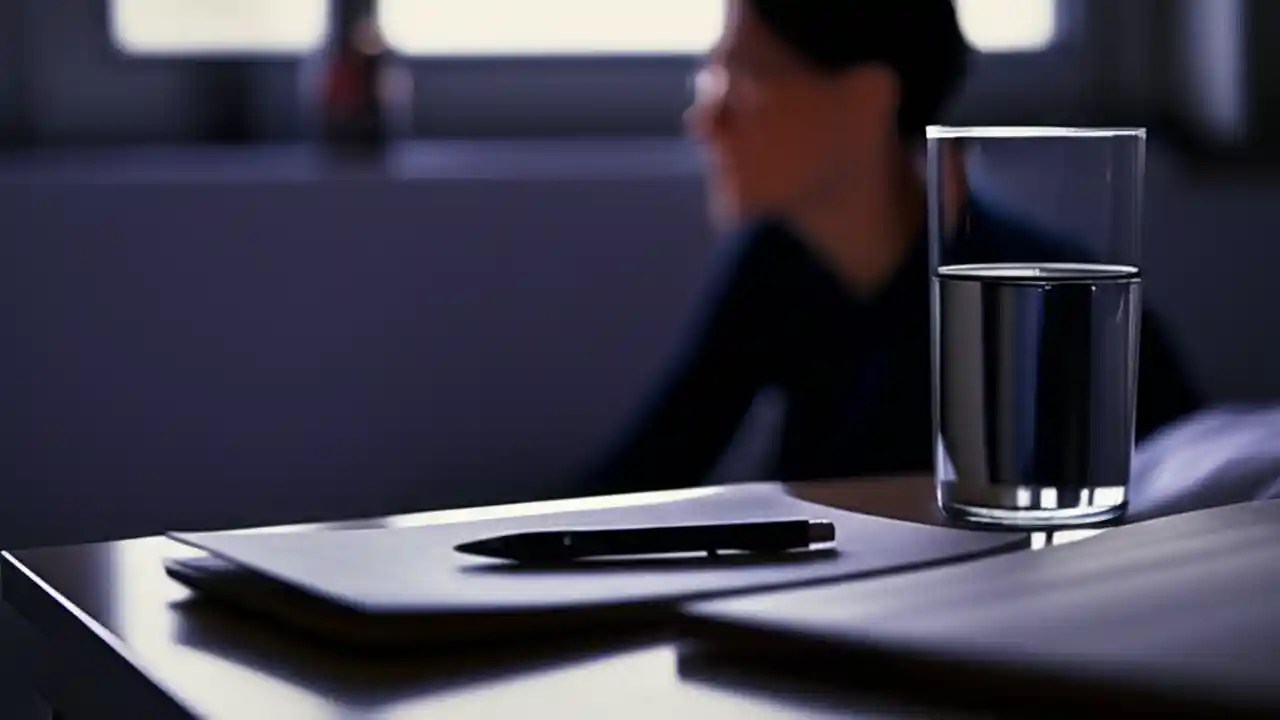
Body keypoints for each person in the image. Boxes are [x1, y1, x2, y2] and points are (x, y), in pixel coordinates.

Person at [587, 0, 1201, 492]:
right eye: (711, 76)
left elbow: (1202, 484)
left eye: (742, 79)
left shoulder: (1045, 302)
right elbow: (646, 473)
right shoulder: (776, 267)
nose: (706, 118)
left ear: (867, 99)